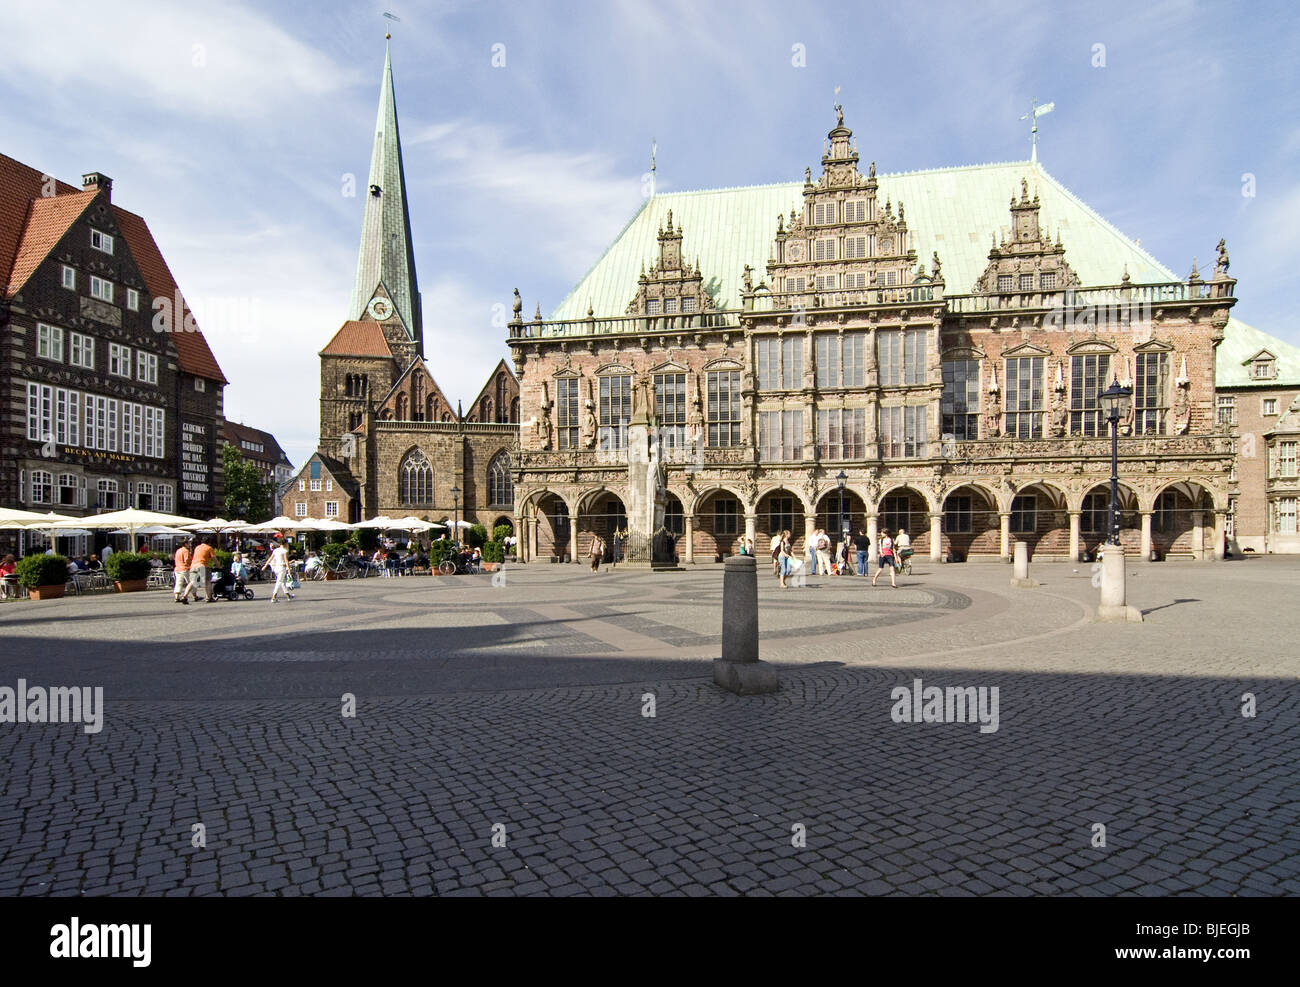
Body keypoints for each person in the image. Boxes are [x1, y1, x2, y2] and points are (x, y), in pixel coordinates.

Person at [190, 537, 215, 602]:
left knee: (192, 581)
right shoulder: (209, 548)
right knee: (208, 581)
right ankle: (208, 597)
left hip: (194, 565)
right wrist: (219, 566)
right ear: (209, 542)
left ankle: (185, 595)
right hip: (203, 565)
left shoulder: (197, 547)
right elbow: (214, 558)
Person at [173, 538, 195, 604]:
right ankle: (195, 595)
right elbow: (187, 560)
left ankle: (177, 597)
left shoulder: (178, 551)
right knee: (191, 583)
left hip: (177, 568)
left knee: (178, 583)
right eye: (189, 543)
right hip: (185, 568)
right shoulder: (186, 551)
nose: (190, 545)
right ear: (185, 544)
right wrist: (191, 563)